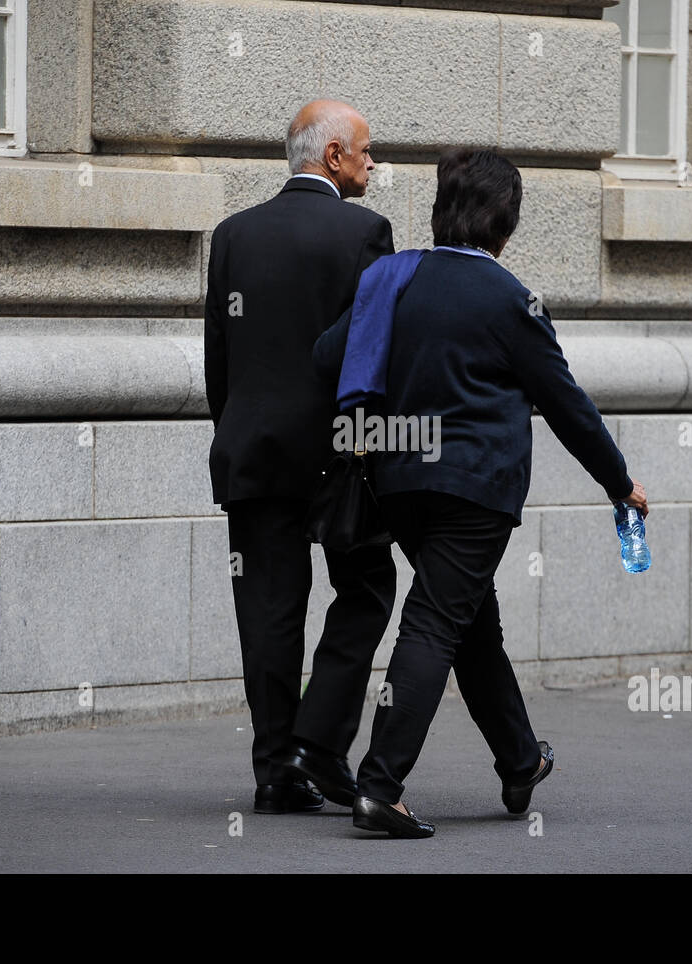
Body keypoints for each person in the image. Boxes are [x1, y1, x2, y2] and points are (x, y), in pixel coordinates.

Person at [312, 148, 648, 837]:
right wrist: (621, 483)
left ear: (441, 212)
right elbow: (566, 404)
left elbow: (326, 357)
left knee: (471, 624)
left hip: (399, 480)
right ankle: (379, 787)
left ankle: (520, 760)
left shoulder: (396, 278)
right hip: (475, 488)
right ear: (507, 222)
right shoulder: (509, 299)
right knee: (436, 623)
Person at [204, 100, 397, 815]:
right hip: (339, 458)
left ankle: (275, 771)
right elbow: (372, 353)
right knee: (370, 589)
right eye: (368, 151)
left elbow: (218, 362)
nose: (373, 164)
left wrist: (239, 431)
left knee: (268, 614)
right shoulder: (365, 232)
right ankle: (322, 739)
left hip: (252, 452)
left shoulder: (233, 235)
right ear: (336, 156)